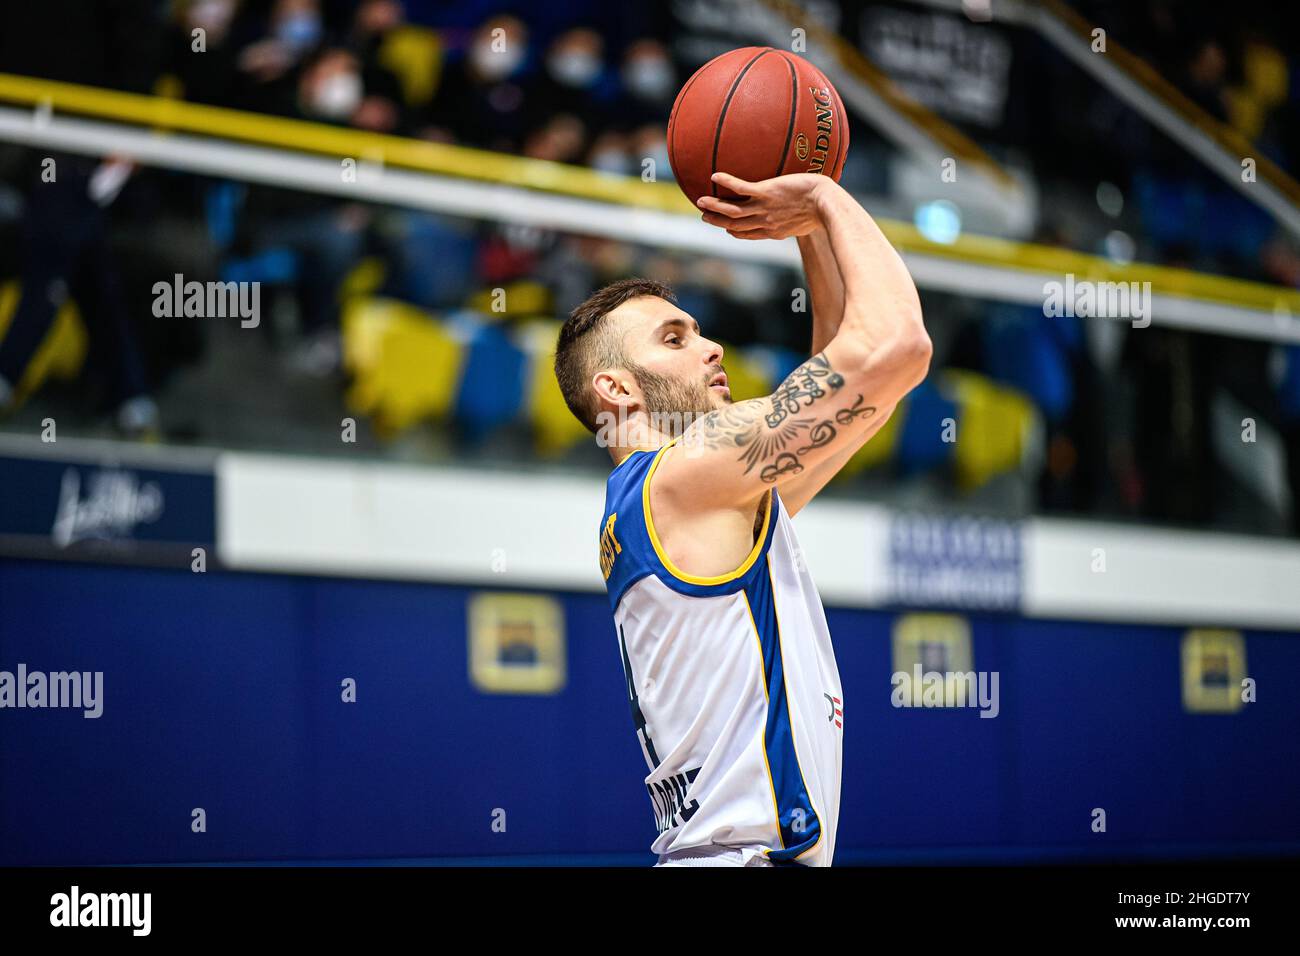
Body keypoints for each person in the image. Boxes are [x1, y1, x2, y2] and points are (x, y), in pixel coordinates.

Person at [552, 171, 931, 866]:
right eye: (674, 339)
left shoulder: (681, 496)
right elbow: (899, 348)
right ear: (616, 388)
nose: (711, 347)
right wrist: (825, 197)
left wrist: (812, 239)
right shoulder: (689, 474)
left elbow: (847, 385)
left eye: (700, 332)